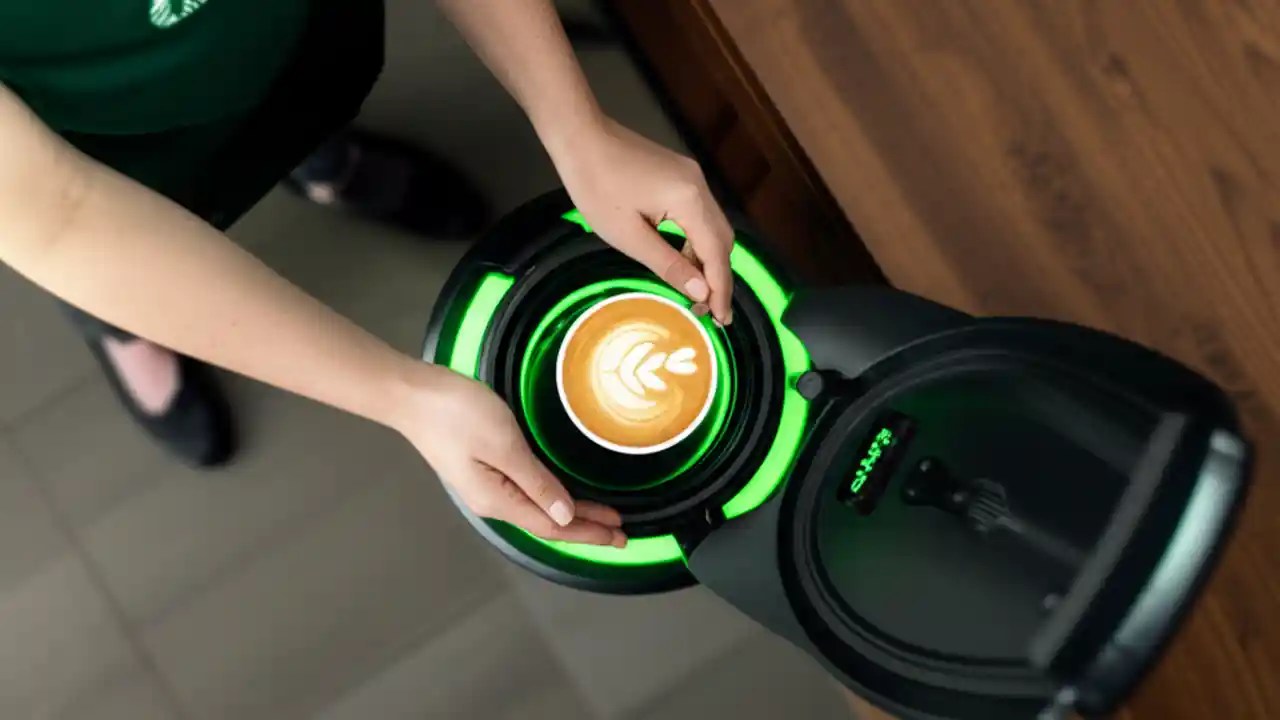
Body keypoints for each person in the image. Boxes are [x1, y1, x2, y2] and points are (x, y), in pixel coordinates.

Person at [0, 0, 735, 549]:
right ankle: (121, 327)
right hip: (102, 167)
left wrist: (575, 124)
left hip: (297, 32)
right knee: (98, 260)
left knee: (308, 112)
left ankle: (323, 162)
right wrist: (402, 395)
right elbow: (60, 216)